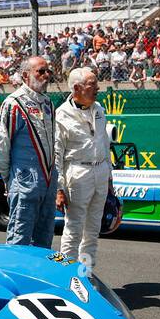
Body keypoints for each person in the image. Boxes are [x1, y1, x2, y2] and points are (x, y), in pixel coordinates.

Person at [0, 56, 57, 248]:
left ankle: (38, 277)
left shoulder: (48, 104)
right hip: (24, 182)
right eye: (41, 71)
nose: (46, 75)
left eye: (48, 71)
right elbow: (1, 146)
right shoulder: (13, 103)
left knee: (44, 240)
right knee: (19, 239)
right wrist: (9, 179)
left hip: (48, 181)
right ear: (26, 75)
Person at [54, 67, 112, 268]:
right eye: (92, 84)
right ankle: (66, 276)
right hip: (77, 174)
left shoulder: (99, 109)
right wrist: (59, 188)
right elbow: (56, 154)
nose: (97, 88)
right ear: (77, 88)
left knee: (93, 230)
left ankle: (85, 275)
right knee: (74, 229)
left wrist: (110, 179)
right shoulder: (61, 115)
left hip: (101, 172)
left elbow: (105, 144)